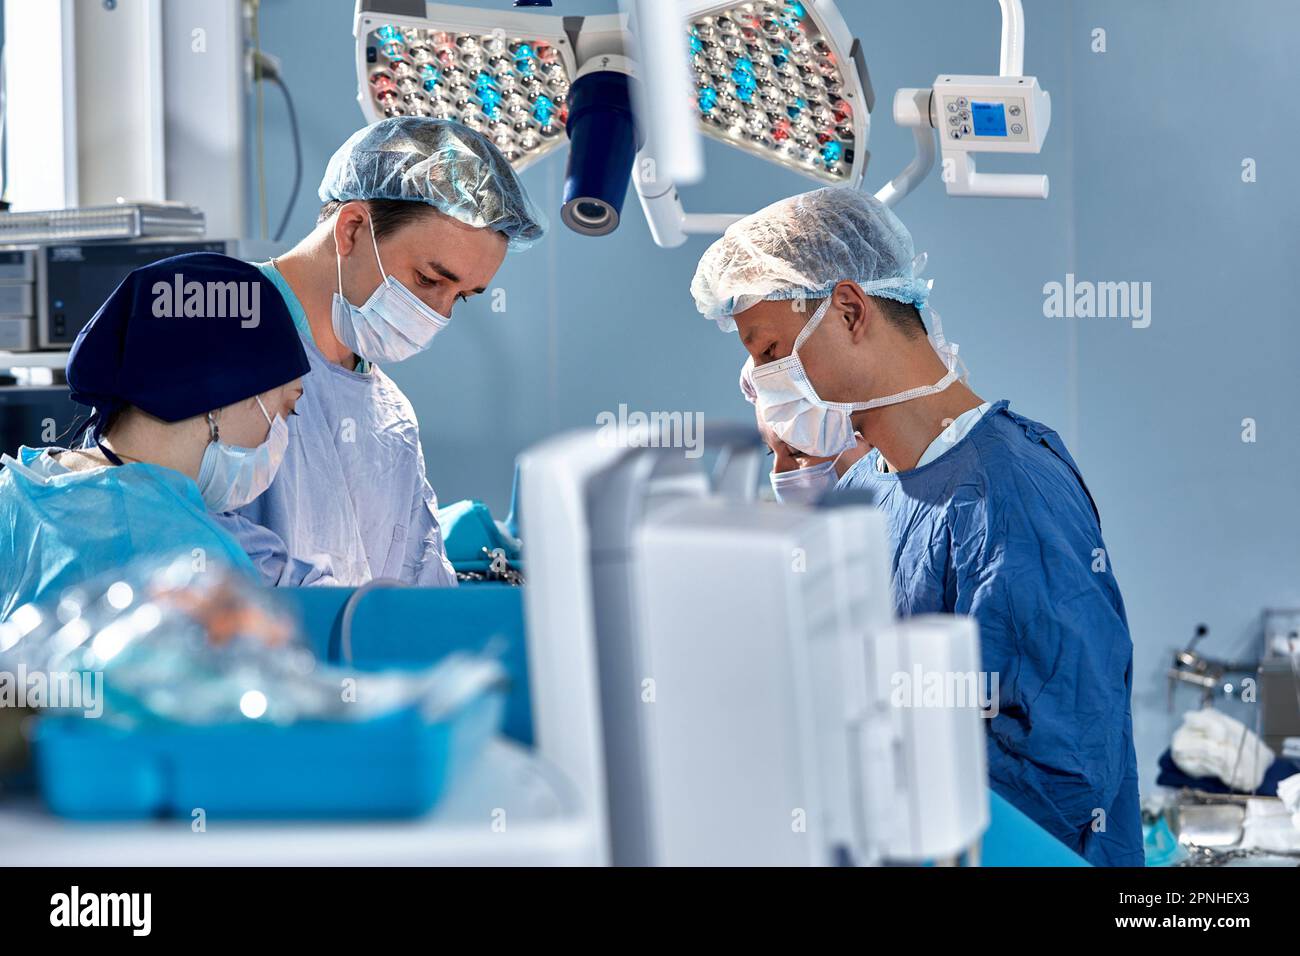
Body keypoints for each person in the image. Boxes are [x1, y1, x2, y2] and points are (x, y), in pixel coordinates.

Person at [691, 186, 1143, 867]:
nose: (757, 382)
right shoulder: (875, 484)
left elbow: (1066, 769)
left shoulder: (1011, 493)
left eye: (768, 350)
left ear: (849, 310)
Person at [223, 116, 546, 587]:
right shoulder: (215, 327)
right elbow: (164, 535)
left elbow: (420, 589)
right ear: (352, 228)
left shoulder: (389, 417)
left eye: (461, 296)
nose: (438, 313)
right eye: (430, 280)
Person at [0, 254, 318, 620]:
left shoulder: (14, 488)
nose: (281, 433)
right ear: (227, 396)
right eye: (286, 409)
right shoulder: (198, 559)